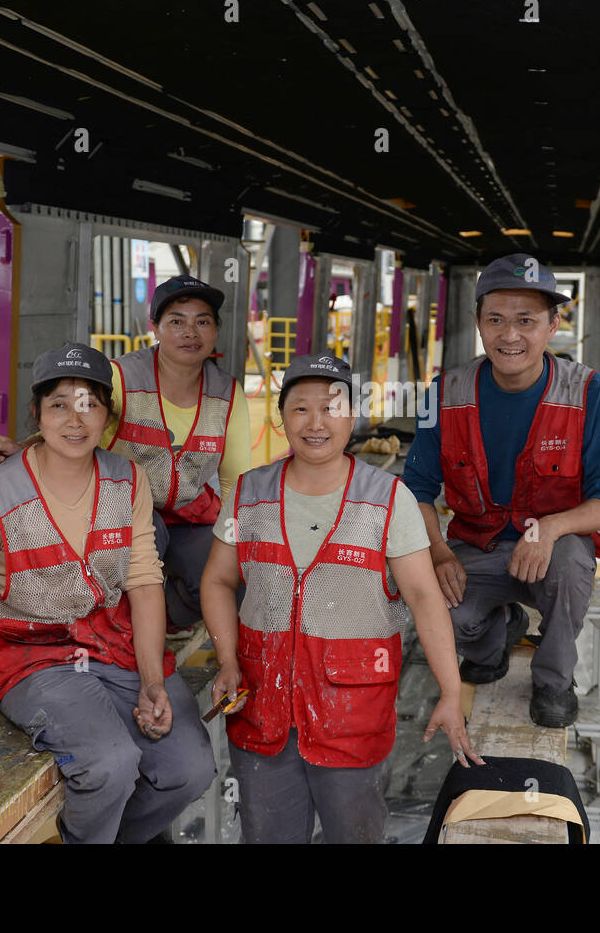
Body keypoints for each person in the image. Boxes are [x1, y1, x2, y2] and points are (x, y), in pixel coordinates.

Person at [0, 343, 215, 843]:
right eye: (59, 403)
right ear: (37, 414)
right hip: (29, 656)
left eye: (90, 404)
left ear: (107, 416)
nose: (75, 418)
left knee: (189, 769)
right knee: (110, 763)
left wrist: (152, 680)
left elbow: (145, 582)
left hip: (113, 644)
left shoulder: (127, 480)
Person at [200, 352, 481, 843]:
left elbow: (424, 597)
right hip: (262, 711)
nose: (316, 422)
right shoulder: (247, 494)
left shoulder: (387, 498)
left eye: (331, 407)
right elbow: (218, 580)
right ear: (280, 416)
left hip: (353, 716)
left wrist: (451, 694)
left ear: (352, 417)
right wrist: (226, 659)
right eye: (301, 408)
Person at [403, 253, 600, 728]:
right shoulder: (443, 393)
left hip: (554, 549)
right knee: (440, 606)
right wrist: (440, 552)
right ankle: (497, 636)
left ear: (553, 325)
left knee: (568, 567)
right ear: (479, 323)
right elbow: (418, 488)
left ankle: (553, 681)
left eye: (526, 321)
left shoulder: (590, 391)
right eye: (497, 320)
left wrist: (551, 527)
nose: (510, 336)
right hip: (476, 543)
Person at [0, 274, 252, 630]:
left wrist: (236, 540)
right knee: (143, 546)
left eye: (202, 322)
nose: (190, 332)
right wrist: (23, 448)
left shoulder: (228, 393)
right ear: (155, 327)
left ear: (215, 331)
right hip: (120, 508)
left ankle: (158, 625)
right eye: (176, 322)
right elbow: (74, 425)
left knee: (229, 573)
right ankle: (120, 628)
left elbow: (234, 481)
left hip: (188, 516)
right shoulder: (121, 377)